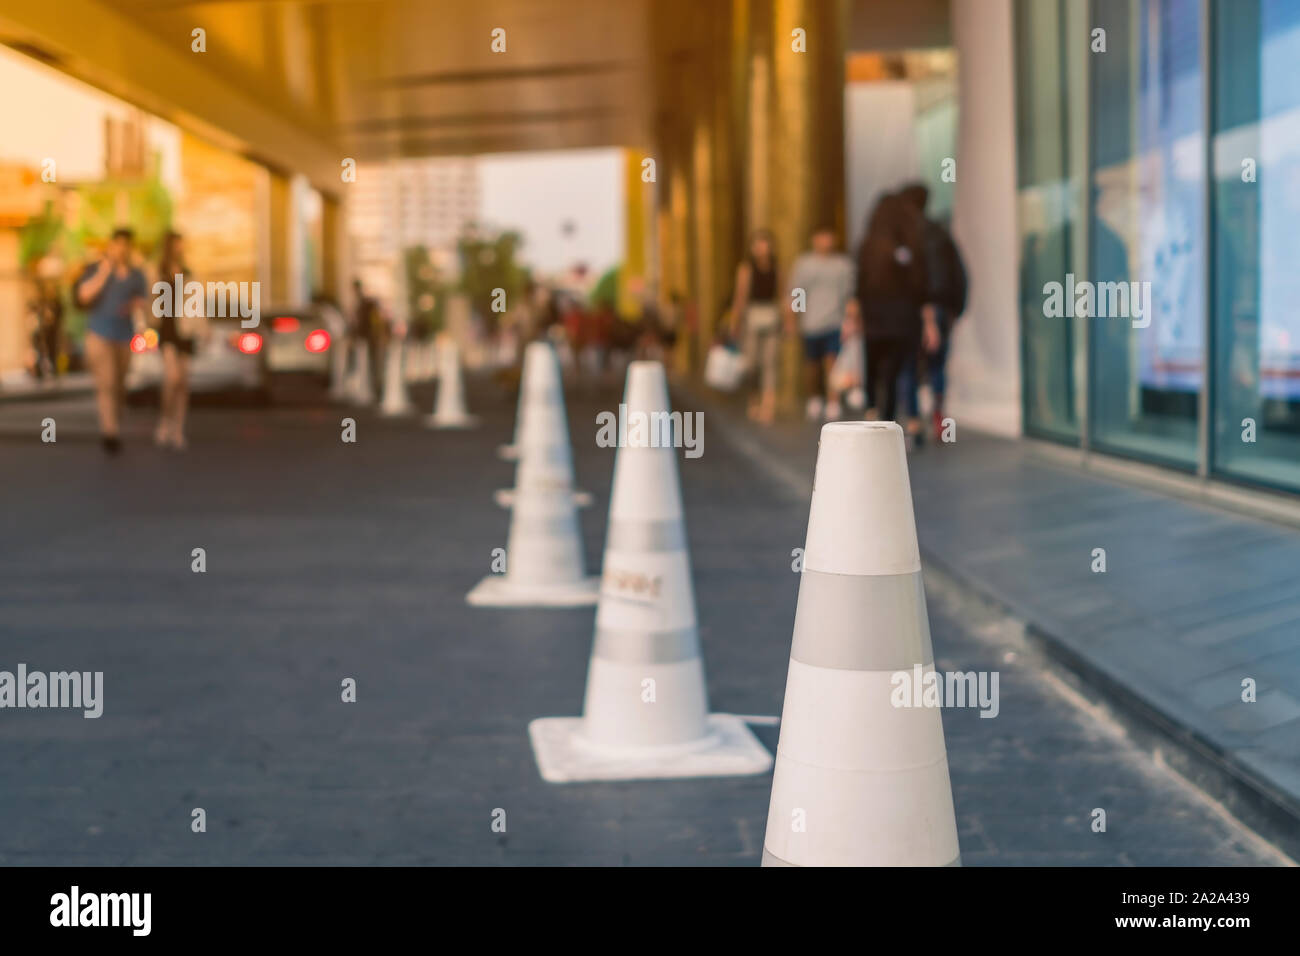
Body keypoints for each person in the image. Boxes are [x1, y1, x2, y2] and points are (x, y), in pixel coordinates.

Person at [855, 194, 939, 438]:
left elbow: (859, 288)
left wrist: (856, 318)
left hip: (874, 321)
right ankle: (902, 421)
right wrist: (929, 323)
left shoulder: (868, 247)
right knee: (901, 371)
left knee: (876, 370)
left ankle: (874, 415)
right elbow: (921, 289)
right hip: (903, 322)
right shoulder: (911, 247)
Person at [897, 183, 968, 442]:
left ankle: (914, 422)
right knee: (937, 365)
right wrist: (954, 308)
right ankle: (938, 415)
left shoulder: (904, 236)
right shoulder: (939, 232)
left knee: (909, 367)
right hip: (940, 308)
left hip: (913, 310)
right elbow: (959, 273)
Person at [75, 228, 148, 455]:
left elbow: (145, 300)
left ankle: (114, 419)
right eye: (117, 244)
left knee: (119, 384)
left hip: (124, 335)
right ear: (111, 246)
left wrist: (135, 305)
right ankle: (110, 432)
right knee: (106, 383)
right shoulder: (95, 270)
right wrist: (104, 273)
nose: (121, 249)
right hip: (99, 334)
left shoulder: (136, 275)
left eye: (126, 245)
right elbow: (83, 296)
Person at [784, 225, 856, 420]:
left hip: (834, 321)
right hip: (811, 322)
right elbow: (796, 292)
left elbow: (850, 295)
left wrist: (850, 320)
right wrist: (794, 318)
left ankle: (833, 400)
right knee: (812, 364)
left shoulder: (842, 264)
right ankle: (815, 397)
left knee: (832, 362)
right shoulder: (804, 264)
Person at [154, 231, 205, 450]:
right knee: (172, 378)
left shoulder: (189, 273)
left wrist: (203, 327)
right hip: (167, 329)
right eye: (176, 245)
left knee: (183, 382)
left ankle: (178, 428)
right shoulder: (158, 272)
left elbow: (196, 302)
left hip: (185, 330)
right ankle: (165, 420)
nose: (179, 249)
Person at [730, 229, 780, 424]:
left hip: (772, 316)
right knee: (751, 364)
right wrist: (734, 321)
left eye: (765, 243)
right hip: (751, 317)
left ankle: (768, 405)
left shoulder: (777, 268)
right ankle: (754, 401)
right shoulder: (746, 269)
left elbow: (787, 294)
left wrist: (792, 314)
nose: (761, 248)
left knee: (770, 362)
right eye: (758, 244)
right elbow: (740, 296)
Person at [29, 277, 64, 381]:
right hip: (40, 330)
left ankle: (53, 369)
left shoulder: (55, 302)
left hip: (51, 331)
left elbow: (60, 314)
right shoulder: (40, 302)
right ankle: (39, 370)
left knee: (52, 350)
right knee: (39, 350)